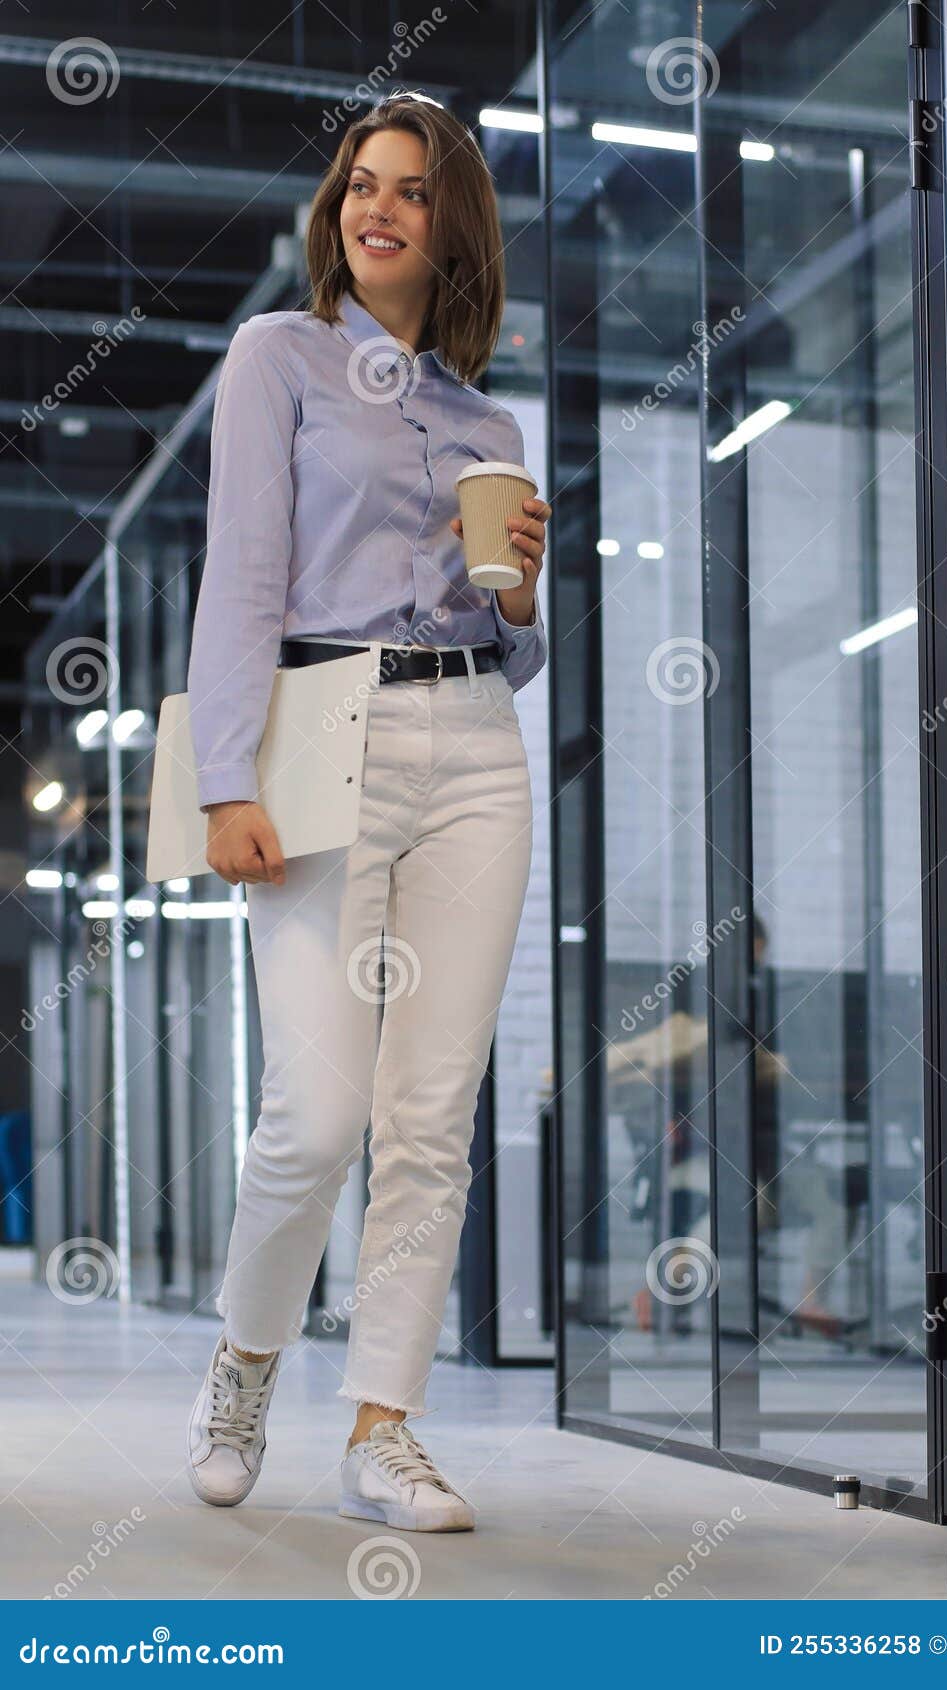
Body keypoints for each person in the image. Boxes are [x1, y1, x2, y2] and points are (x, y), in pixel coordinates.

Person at [182, 90, 551, 1533]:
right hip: (320, 731)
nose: (377, 209)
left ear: (452, 224)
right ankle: (244, 1361)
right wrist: (225, 778)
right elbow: (242, 573)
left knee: (430, 1114)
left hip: (474, 742)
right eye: (359, 185)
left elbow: (512, 643)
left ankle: (381, 1428)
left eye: (408, 190)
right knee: (316, 1111)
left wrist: (519, 592)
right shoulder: (277, 356)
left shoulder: (487, 419)